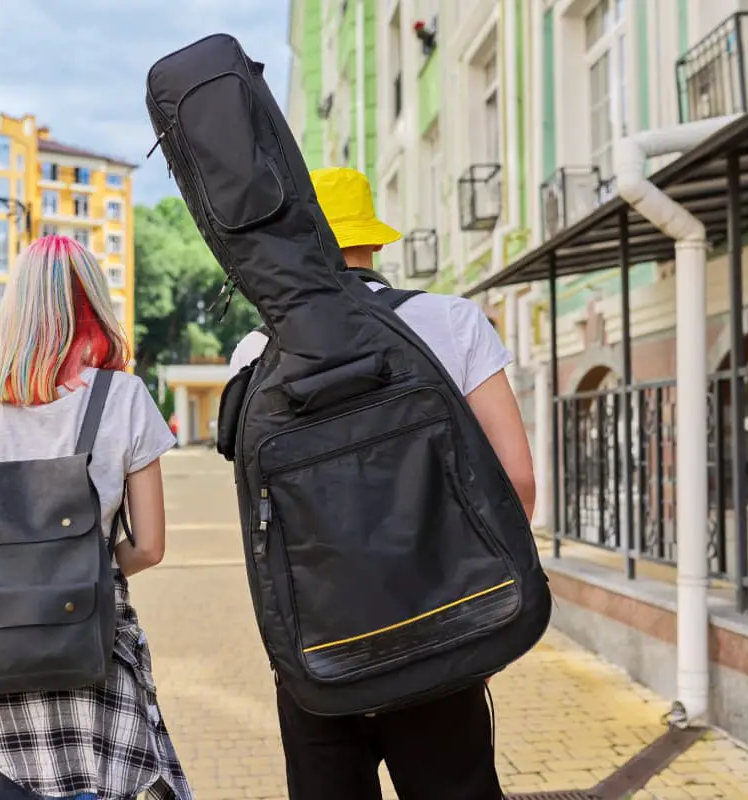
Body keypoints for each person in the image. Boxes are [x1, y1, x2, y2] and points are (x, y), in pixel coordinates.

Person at [228, 167, 536, 800]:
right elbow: (518, 482)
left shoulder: (256, 353)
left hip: (318, 651)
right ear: (372, 242)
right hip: (443, 632)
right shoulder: (452, 321)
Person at [0, 235, 193, 800]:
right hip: (90, 649)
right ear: (92, 301)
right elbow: (151, 547)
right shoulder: (124, 398)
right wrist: (75, 563)